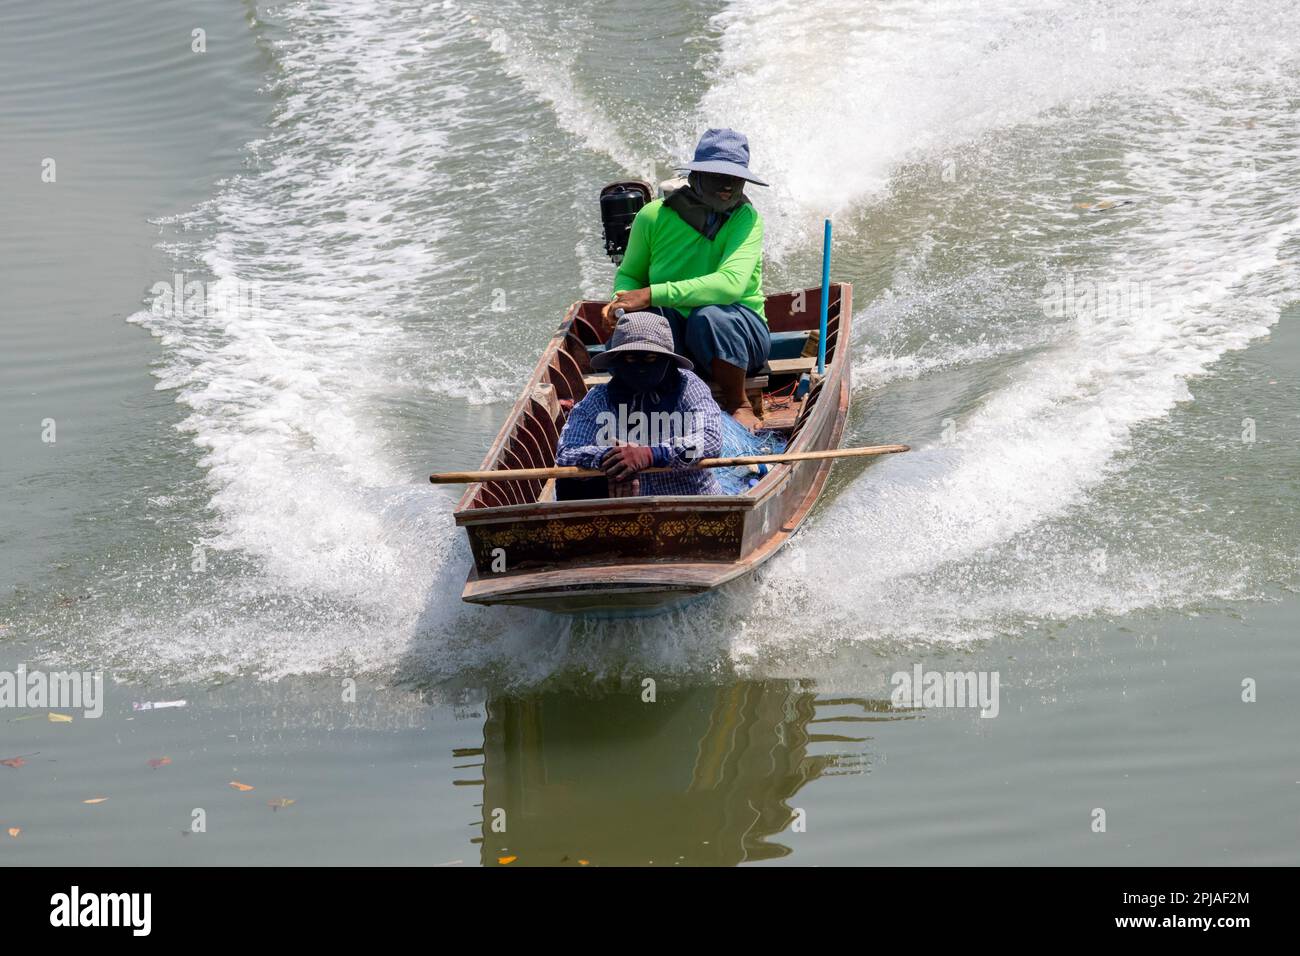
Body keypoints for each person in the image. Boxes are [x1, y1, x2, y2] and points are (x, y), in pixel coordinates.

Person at [603, 128, 771, 428]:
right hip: (675, 335)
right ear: (695, 177)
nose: (727, 188)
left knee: (710, 317)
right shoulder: (652, 216)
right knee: (641, 324)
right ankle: (656, 402)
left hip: (737, 333)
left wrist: (651, 294)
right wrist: (621, 302)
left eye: (735, 179)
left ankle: (738, 402)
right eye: (719, 177)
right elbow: (630, 274)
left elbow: (729, 286)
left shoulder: (746, 219)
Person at [555, 312, 723, 499]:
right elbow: (566, 452)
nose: (641, 368)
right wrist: (613, 459)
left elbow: (710, 440)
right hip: (627, 508)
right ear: (617, 362)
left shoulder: (688, 388)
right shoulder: (600, 398)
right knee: (567, 484)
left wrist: (651, 454)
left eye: (651, 359)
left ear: (667, 361)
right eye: (630, 359)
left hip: (691, 501)